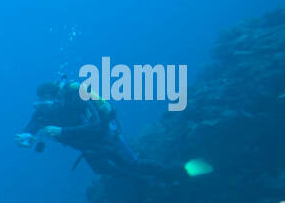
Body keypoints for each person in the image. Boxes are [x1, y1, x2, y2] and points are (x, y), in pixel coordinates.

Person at [15, 76, 185, 183]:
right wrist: (27, 135)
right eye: (41, 103)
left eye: (48, 102)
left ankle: (174, 173)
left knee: (134, 164)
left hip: (107, 137)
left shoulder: (77, 100)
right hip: (88, 148)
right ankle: (144, 184)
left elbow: (97, 126)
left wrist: (63, 132)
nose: (46, 107)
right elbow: (33, 124)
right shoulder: (44, 111)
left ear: (58, 97)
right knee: (104, 170)